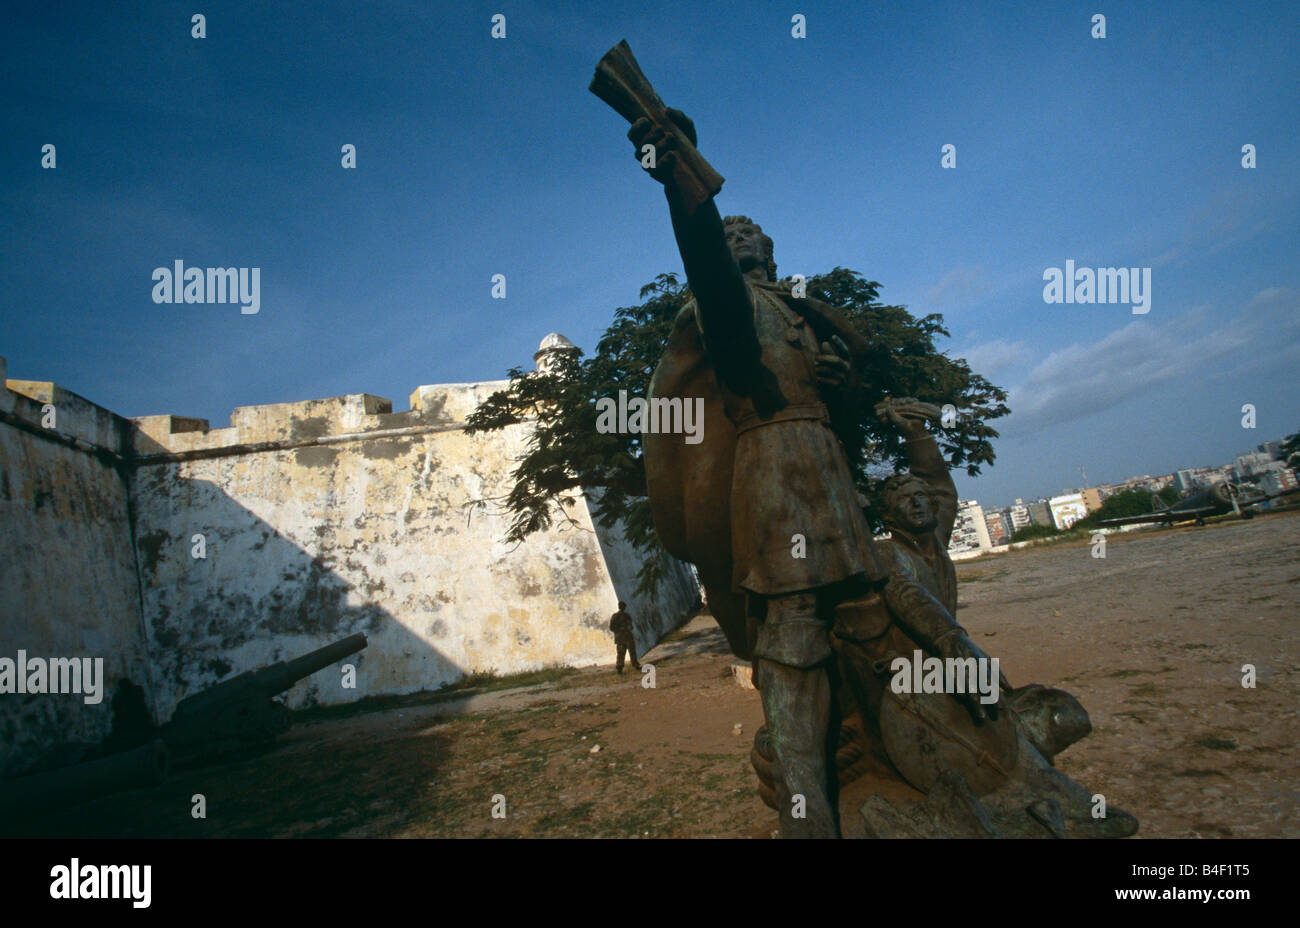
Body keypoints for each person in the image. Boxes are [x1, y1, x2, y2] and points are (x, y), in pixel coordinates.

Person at [632, 109, 889, 837]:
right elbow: (706, 262)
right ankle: (808, 807)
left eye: (751, 234)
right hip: (769, 467)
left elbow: (851, 394)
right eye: (731, 232)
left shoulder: (802, 312)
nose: (739, 238)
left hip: (827, 466)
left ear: (772, 255)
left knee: (866, 615)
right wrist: (679, 183)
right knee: (792, 628)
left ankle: (878, 751)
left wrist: (842, 382)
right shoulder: (718, 304)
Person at [609, 601, 640, 674]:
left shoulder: (615, 616)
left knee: (621, 653)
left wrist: (618, 631)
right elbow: (630, 626)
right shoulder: (627, 616)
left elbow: (611, 627)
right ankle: (635, 665)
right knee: (631, 652)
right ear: (624, 607)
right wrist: (624, 629)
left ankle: (620, 667)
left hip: (620, 638)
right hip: (627, 637)